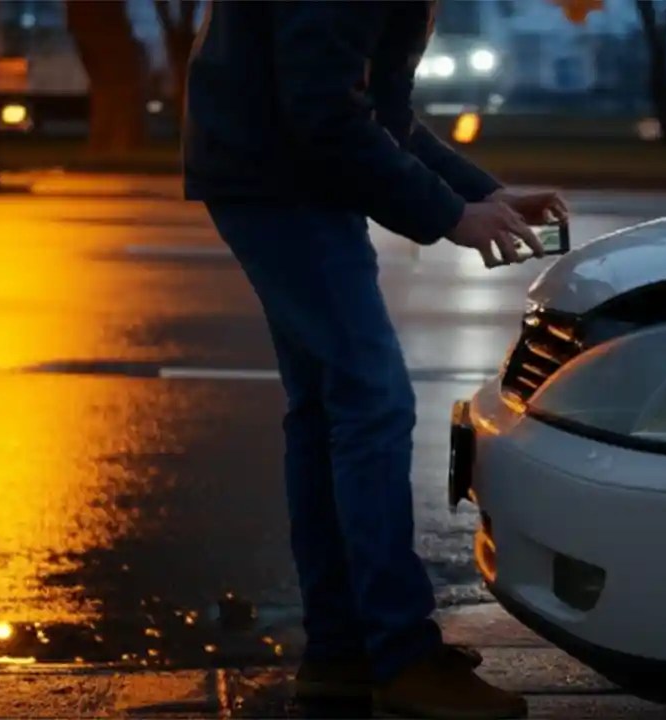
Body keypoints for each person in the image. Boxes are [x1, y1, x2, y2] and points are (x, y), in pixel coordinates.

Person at [183, 2, 567, 718]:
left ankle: (342, 651)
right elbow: (325, 112)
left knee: (329, 411)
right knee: (371, 403)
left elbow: (378, 114)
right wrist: (451, 215)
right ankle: (400, 654)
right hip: (283, 182)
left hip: (275, 173)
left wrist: (482, 194)